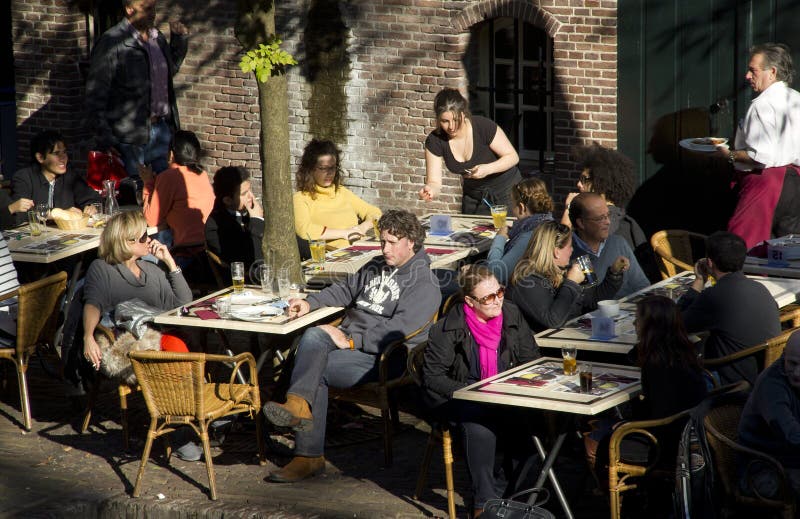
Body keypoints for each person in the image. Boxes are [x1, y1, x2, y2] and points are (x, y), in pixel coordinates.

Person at [262, 209, 441, 483]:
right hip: (348, 345)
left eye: (393, 242)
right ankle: (298, 411)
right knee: (312, 339)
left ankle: (307, 455)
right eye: (382, 241)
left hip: (383, 357)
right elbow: (344, 290)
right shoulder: (375, 265)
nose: (385, 248)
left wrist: (351, 340)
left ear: (412, 242)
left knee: (312, 362)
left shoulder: (423, 282)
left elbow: (400, 329)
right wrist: (310, 302)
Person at [422, 265, 540, 516]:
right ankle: (483, 504)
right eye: (488, 297)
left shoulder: (511, 313)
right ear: (470, 301)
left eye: (499, 292)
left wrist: (514, 386)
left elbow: (531, 358)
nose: (497, 300)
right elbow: (433, 378)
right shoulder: (448, 328)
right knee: (480, 429)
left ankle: (509, 495)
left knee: (534, 428)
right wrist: (474, 392)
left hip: (503, 393)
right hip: (459, 395)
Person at [585, 296, 707, 471]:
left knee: (594, 441)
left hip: (664, 442)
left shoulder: (657, 365)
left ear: (651, 326)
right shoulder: (682, 350)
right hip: (690, 431)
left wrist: (625, 424)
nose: (634, 324)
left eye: (638, 320)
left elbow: (659, 413)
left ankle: (615, 493)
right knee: (600, 425)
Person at [85, 0, 189, 179]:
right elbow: (95, 93)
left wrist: (179, 42)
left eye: (154, 8)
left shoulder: (158, 38)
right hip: (129, 137)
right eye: (146, 8)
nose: (152, 13)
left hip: (161, 130)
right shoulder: (112, 42)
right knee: (135, 194)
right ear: (129, 9)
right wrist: (105, 138)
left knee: (164, 191)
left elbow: (166, 74)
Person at [717, 43, 800, 249]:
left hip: (766, 184)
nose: (747, 76)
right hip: (794, 185)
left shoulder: (761, 104)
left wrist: (729, 154)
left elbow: (759, 156)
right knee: (786, 253)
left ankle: (742, 283)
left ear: (772, 72)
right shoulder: (796, 99)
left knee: (743, 247)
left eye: (753, 70)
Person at [677, 231, 780, 386]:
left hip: (732, 382)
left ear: (709, 263)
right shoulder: (760, 288)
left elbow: (677, 323)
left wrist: (699, 281)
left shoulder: (715, 295)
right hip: (765, 374)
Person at [507, 220, 628, 332]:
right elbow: (553, 321)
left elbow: (593, 301)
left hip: (568, 338)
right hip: (540, 349)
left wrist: (614, 273)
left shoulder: (561, 271)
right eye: (570, 246)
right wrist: (571, 283)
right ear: (556, 252)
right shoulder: (527, 281)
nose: (572, 250)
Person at [561, 143, 657, 280]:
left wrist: (568, 210)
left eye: (584, 179)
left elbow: (557, 252)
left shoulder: (597, 223)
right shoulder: (619, 217)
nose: (578, 184)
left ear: (601, 183)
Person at [419, 88, 521, 214]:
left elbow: (512, 157)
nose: (451, 127)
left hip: (507, 191)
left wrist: (487, 169)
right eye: (445, 121)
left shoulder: (482, 126)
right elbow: (434, 182)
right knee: (471, 233)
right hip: (474, 196)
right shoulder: (435, 140)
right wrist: (431, 190)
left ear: (463, 113)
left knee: (508, 232)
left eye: (456, 120)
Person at [738, 329, 800, 499]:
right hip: (764, 469)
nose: (797, 373)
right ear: (784, 354)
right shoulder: (772, 386)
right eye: (792, 364)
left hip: (790, 458)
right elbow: (791, 435)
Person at [293, 139, 382, 252]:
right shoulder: (300, 198)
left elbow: (375, 212)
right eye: (323, 168)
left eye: (332, 168)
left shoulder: (341, 192)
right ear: (310, 169)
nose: (329, 173)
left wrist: (362, 228)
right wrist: (345, 233)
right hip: (334, 256)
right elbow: (305, 230)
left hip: (361, 249)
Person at [142, 130, 214, 253]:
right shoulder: (203, 174)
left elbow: (150, 220)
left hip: (185, 252)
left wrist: (148, 182)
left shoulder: (169, 176)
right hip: (207, 249)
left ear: (171, 155)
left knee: (139, 254)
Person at [569, 193, 650, 298]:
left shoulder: (618, 243)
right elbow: (587, 303)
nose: (608, 222)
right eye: (600, 218)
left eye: (608, 215)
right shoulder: (567, 253)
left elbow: (642, 285)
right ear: (581, 223)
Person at [11, 130, 100, 225]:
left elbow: (93, 198)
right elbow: (21, 213)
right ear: (40, 157)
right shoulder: (24, 178)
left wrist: (92, 206)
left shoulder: (69, 176)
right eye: (56, 153)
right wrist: (57, 213)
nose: (63, 158)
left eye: (64, 152)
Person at [486, 177, 554, 284]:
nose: (512, 210)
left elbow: (497, 273)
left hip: (514, 291)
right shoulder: (547, 223)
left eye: (513, 205)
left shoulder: (530, 234)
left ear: (521, 207)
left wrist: (500, 238)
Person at [205, 166, 264, 270]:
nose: (251, 196)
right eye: (244, 193)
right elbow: (249, 262)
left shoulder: (250, 212)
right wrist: (257, 222)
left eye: (250, 190)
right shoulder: (214, 227)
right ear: (228, 200)